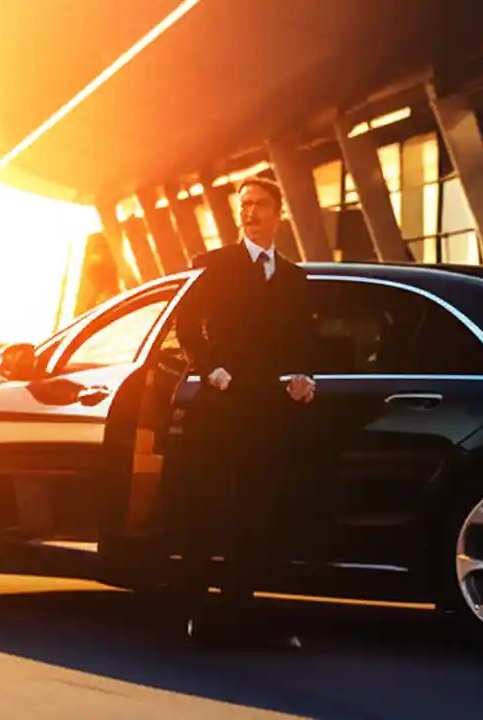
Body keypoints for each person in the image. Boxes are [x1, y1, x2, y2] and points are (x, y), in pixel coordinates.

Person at [169, 175, 317, 648]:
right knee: (209, 512)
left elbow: (304, 341)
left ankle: (240, 611)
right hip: (219, 408)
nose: (248, 213)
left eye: (258, 205)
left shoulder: (294, 277)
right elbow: (186, 325)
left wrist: (305, 376)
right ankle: (194, 613)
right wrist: (210, 368)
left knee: (253, 515)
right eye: (244, 205)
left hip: (267, 414)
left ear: (278, 212)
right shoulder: (215, 265)